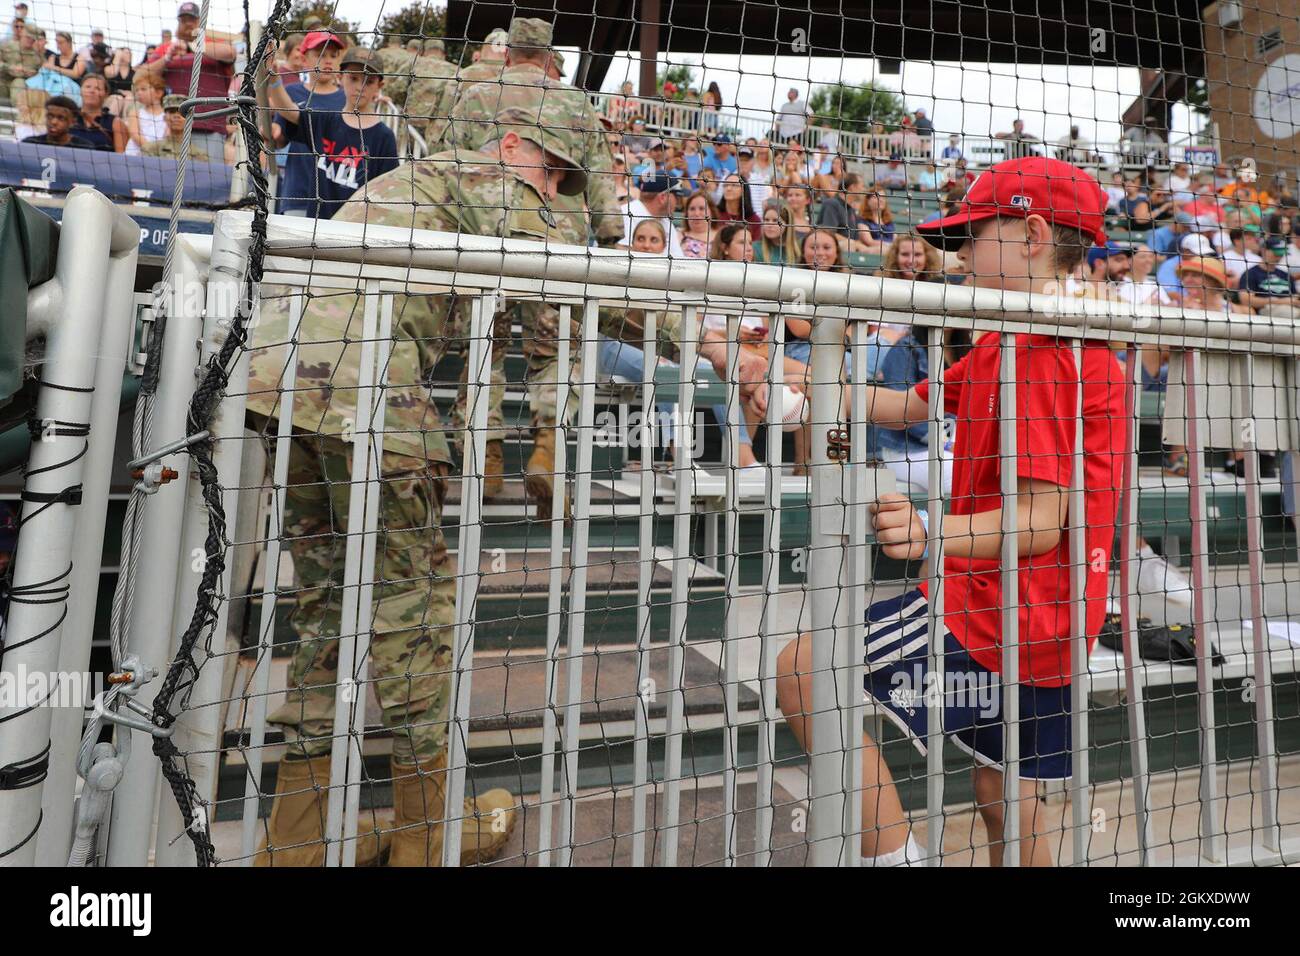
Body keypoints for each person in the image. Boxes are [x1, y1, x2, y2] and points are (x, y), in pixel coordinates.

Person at [242, 103, 599, 869]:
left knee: (326, 609)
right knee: (417, 619)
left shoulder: (423, 186)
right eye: (554, 175)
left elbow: (534, 310)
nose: (555, 194)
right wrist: (700, 332)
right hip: (364, 395)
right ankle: (423, 836)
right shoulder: (482, 175)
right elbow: (567, 269)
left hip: (283, 384)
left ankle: (298, 838)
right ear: (510, 140)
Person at [778, 156, 1125, 868]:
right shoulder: (1011, 337)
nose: (958, 253)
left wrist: (934, 532)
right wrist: (809, 382)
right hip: (1052, 619)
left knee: (805, 670)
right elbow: (910, 405)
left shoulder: (1043, 349)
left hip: (1002, 609)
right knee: (1007, 798)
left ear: (1030, 234)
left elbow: (1038, 522)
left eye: (974, 235)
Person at [443, 17, 626, 515]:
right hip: (554, 243)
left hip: (483, 237)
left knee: (485, 350)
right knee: (554, 352)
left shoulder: (474, 97)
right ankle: (546, 449)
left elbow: (445, 164)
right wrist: (609, 238)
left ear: (508, 54)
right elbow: (602, 180)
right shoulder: (573, 102)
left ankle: (487, 458)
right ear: (549, 57)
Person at [264, 46, 397, 219]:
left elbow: (387, 193)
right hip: (316, 225)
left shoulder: (384, 137)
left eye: (369, 81)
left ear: (379, 86)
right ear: (340, 78)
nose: (360, 87)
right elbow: (288, 110)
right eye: (354, 78)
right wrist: (274, 79)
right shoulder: (325, 120)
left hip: (356, 231)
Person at [141, 2, 237, 163]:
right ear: (178, 23)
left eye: (192, 19)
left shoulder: (212, 44)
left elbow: (231, 53)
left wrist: (195, 45)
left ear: (200, 21)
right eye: (183, 20)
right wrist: (167, 58)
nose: (188, 23)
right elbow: (142, 74)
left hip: (209, 128)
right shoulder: (167, 48)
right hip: (174, 129)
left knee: (208, 180)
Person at [270, 31, 346, 215]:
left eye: (333, 55)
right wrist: (271, 132)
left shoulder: (347, 98)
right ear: (304, 60)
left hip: (337, 196)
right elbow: (281, 139)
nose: (328, 61)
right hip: (299, 192)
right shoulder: (292, 92)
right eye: (320, 54)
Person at [1240, 237, 1300, 315]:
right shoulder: (1251, 273)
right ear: (1264, 250)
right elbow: (1245, 300)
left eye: (1282, 254)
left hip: (1291, 309)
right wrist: (1279, 301)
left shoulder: (1285, 275)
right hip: (1266, 310)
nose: (1279, 257)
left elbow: (1295, 297)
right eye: (1276, 253)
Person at [140, 92, 209, 160]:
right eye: (172, 112)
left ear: (192, 120)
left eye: (183, 113)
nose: (176, 116)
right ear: (164, 117)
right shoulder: (150, 149)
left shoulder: (200, 155)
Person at [71, 72, 125, 150]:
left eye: (98, 88)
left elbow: (121, 157)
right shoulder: (70, 117)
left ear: (106, 94)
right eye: (88, 87)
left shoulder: (116, 123)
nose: (92, 91)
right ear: (80, 90)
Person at [20, 93, 93, 147]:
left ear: (72, 122)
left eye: (61, 118)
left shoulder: (84, 147)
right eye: (50, 116)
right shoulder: (30, 144)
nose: (54, 122)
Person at [716, 172, 760, 239]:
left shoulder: (753, 220)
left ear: (743, 190)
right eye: (726, 185)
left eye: (734, 185)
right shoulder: (715, 214)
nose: (728, 188)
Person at [676, 189, 717, 259]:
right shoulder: (677, 236)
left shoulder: (721, 236)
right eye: (692, 209)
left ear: (712, 212)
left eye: (702, 208)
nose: (696, 214)